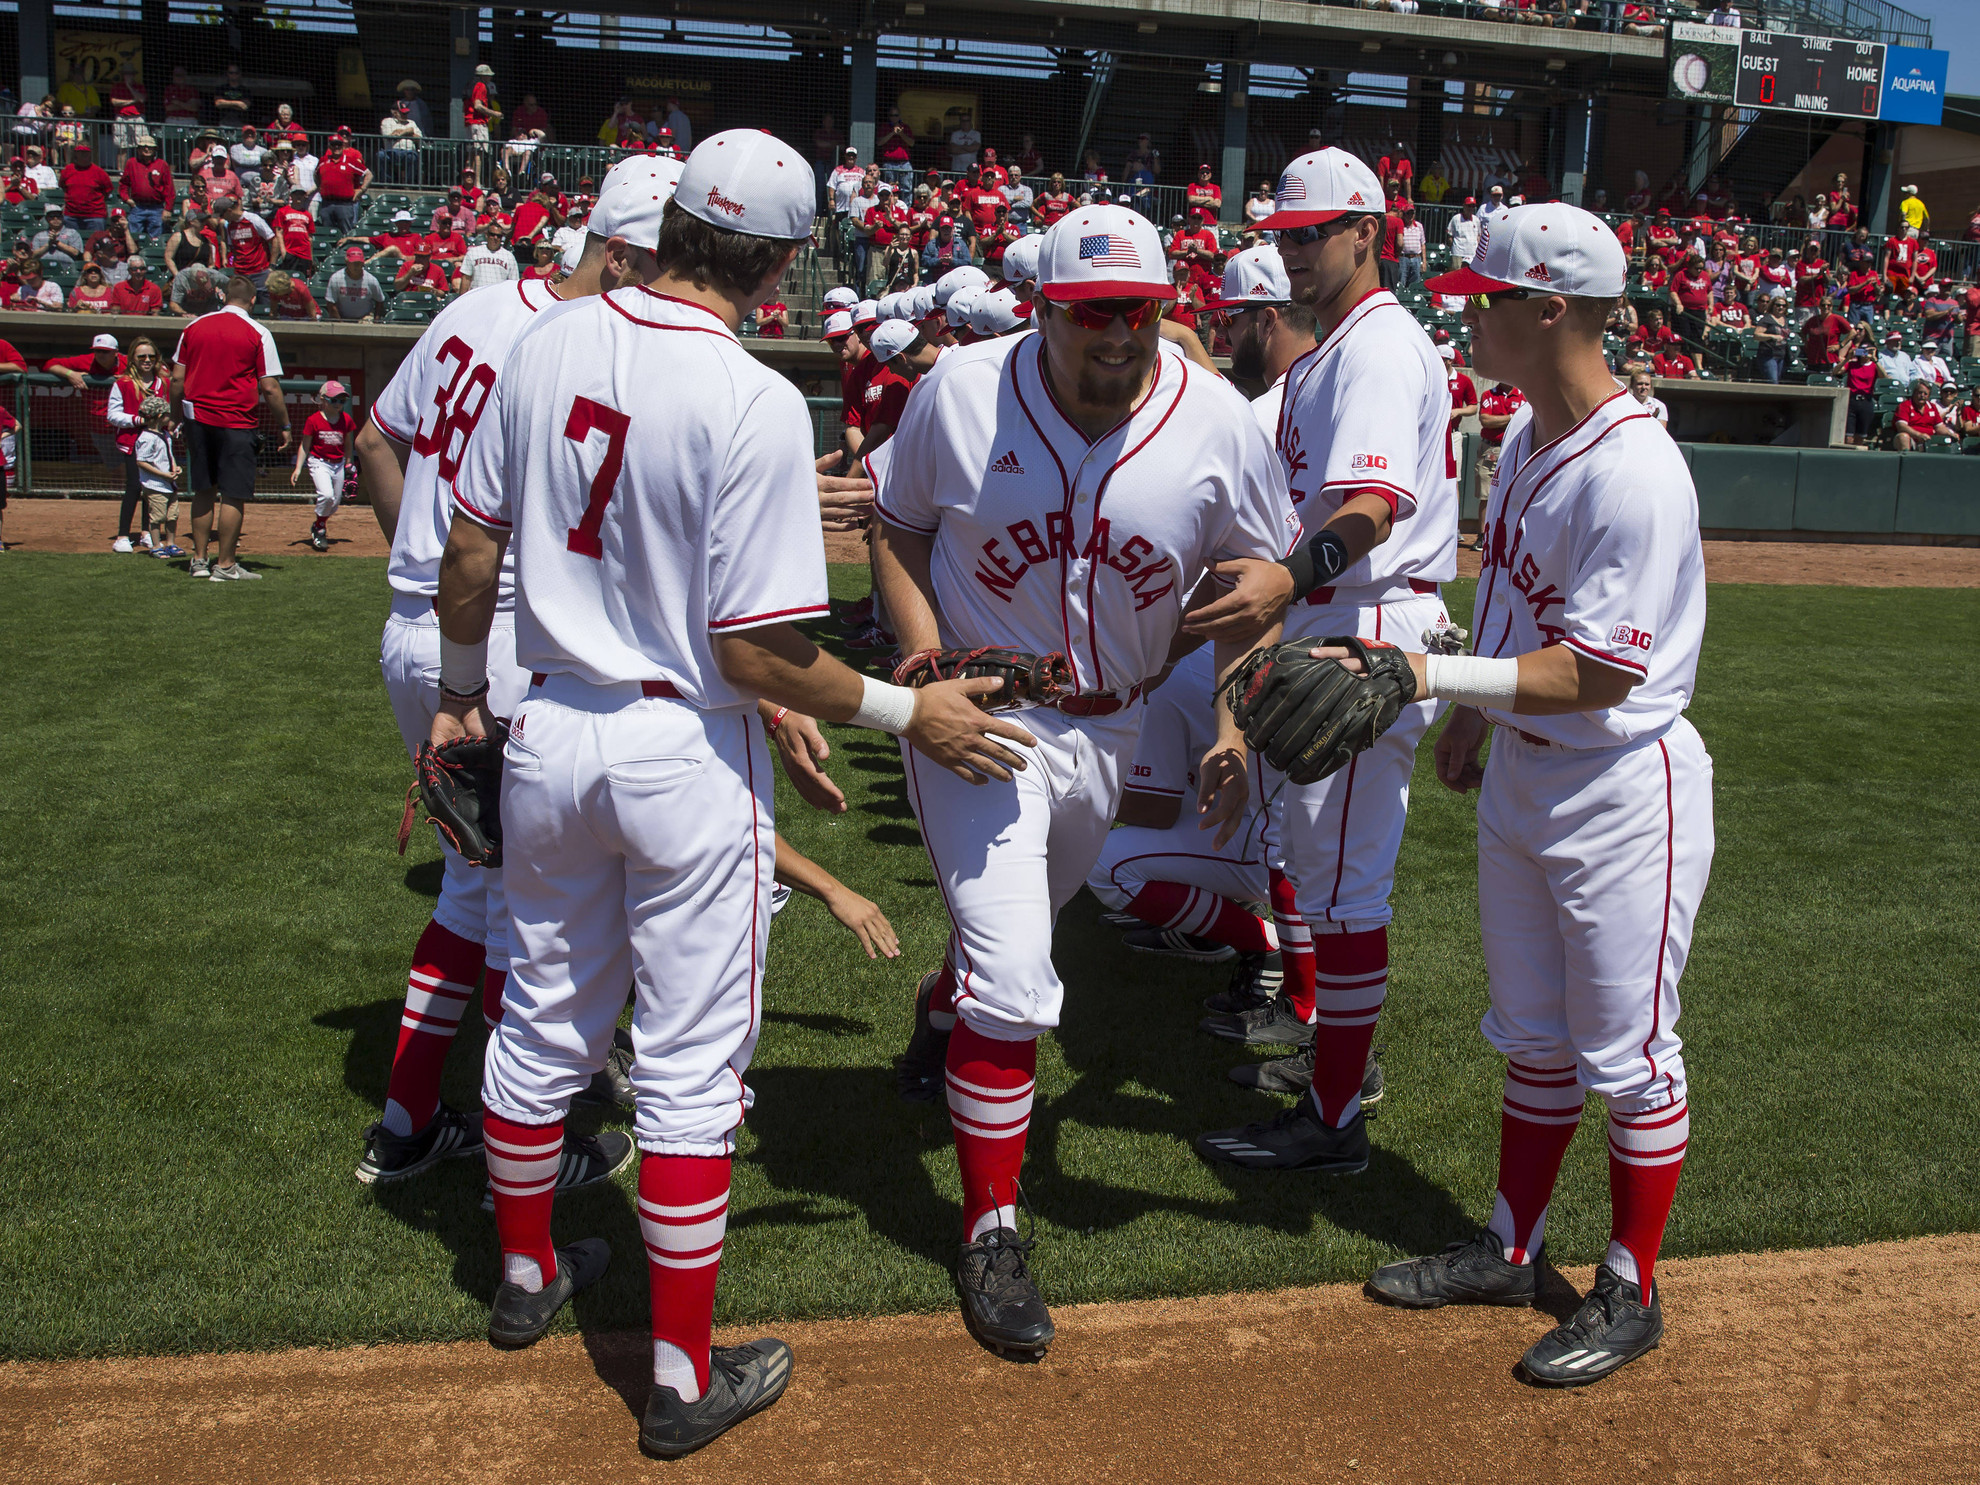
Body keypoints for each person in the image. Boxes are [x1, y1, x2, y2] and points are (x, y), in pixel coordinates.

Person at [427, 132, 1009, 1457]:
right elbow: (755, 654)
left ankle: (523, 1275)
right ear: (784, 264)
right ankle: (681, 1378)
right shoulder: (754, 396)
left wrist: (462, 694)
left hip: (547, 722)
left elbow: (469, 552)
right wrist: (904, 708)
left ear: (674, 222)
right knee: (690, 1066)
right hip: (683, 746)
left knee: (543, 1018)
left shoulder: (544, 340)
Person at [873, 201, 1293, 1358]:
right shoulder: (961, 392)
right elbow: (899, 531)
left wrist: (1230, 721)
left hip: (1114, 730)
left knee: (1016, 930)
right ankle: (993, 1232)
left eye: (1140, 310)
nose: (1119, 332)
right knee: (1018, 972)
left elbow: (1256, 582)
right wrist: (922, 666)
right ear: (1043, 310)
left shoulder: (1217, 421)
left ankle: (941, 1010)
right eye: (1093, 311)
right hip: (983, 717)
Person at [1355, 202, 1711, 1391]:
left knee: (1632, 1054)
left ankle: (1630, 1286)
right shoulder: (1522, 437)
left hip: (1622, 789)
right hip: (1525, 772)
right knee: (1535, 1038)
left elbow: (1602, 671)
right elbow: (1514, 604)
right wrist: (1473, 713)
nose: (1468, 318)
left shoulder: (1637, 472)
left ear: (1549, 309)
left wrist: (1433, 678)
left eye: (1486, 301)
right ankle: (1512, 1250)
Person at [1179, 148, 1458, 1168]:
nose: (1295, 250)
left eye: (1313, 233)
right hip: (1336, 614)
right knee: (1315, 868)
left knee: (1343, 888)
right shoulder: (1334, 350)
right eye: (1285, 235)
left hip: (1366, 621)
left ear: (1367, 233)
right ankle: (1332, 1074)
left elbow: (1371, 510)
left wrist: (1286, 583)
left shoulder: (1377, 347)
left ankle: (1336, 1119)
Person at [170, 272, 290, 580]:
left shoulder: (193, 326)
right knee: (233, 494)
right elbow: (270, 387)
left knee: (203, 490)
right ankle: (225, 565)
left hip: (197, 419)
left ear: (223, 296)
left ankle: (199, 560)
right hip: (236, 421)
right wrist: (285, 424)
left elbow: (177, 379)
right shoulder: (258, 331)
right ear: (253, 300)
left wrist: (174, 415)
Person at [291, 380, 356, 551]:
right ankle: (319, 528)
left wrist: (349, 463)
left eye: (342, 400)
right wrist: (298, 468)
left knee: (334, 502)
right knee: (326, 495)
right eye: (334, 400)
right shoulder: (313, 420)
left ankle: (319, 523)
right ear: (322, 399)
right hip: (319, 462)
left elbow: (348, 443)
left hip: (338, 463)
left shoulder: (346, 419)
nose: (338, 404)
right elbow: (305, 445)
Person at [118, 135, 174, 236]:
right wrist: (127, 199)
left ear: (155, 149)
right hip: (137, 207)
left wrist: (168, 209)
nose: (147, 149)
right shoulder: (131, 163)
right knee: (134, 237)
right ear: (138, 149)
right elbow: (124, 184)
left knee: (156, 239)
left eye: (150, 147)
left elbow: (169, 188)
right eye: (143, 147)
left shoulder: (162, 164)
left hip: (156, 208)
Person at [60, 142, 114, 233]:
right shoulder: (68, 170)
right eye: (80, 152)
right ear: (76, 153)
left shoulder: (99, 172)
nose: (83, 155)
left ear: (90, 154)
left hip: (95, 216)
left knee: (96, 241)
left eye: (85, 152)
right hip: (71, 216)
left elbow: (108, 190)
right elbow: (63, 186)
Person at [460, 221, 520, 289]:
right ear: (487, 235)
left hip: (498, 294)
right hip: (478, 293)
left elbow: (513, 283)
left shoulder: (509, 256)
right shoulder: (474, 252)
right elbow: (466, 279)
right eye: (492, 234)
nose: (495, 238)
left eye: (498, 236)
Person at [1892, 379, 1943, 451]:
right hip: (1912, 438)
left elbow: (1940, 427)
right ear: (1914, 393)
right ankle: (1906, 457)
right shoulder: (1905, 405)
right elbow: (1901, 426)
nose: (1922, 395)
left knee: (1947, 439)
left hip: (1930, 439)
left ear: (1928, 396)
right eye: (1920, 393)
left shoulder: (1932, 407)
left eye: (1925, 394)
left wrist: (1950, 434)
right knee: (1903, 436)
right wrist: (1918, 435)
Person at [379, 100, 423, 183]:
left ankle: (408, 184)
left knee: (412, 157)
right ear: (394, 113)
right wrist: (407, 132)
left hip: (408, 151)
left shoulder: (411, 122)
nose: (405, 115)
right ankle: (386, 183)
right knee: (381, 155)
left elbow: (420, 138)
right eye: (403, 113)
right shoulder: (387, 121)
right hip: (391, 151)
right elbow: (388, 136)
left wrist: (400, 132)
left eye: (406, 113)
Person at [1185, 162, 1222, 226]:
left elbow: (1217, 204)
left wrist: (1197, 203)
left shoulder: (1216, 188)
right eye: (1202, 172)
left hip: (1210, 223)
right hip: (1194, 222)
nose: (1205, 174)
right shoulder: (1192, 186)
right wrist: (1209, 198)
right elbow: (1191, 199)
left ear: (1210, 174)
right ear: (1198, 174)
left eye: (1207, 172)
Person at [1448, 197, 1480, 265]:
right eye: (1469, 206)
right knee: (1457, 271)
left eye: (1473, 206)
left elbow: (1478, 236)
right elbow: (1450, 235)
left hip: (1472, 253)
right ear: (1464, 206)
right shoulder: (1456, 218)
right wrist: (1453, 249)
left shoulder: (1476, 220)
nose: (1471, 208)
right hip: (1458, 253)